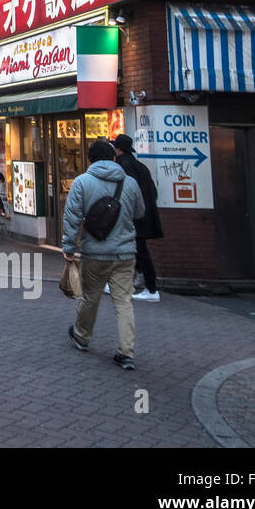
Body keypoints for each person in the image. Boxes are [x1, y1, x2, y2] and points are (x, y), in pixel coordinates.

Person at [63, 139, 147, 370]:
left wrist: (69, 248)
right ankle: (126, 352)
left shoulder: (82, 182)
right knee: (124, 302)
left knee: (91, 297)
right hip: (125, 253)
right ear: (113, 158)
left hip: (95, 253)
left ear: (89, 159)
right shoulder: (129, 183)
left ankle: (82, 336)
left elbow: (71, 218)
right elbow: (140, 212)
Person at [113, 134, 163, 301]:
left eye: (115, 146)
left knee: (137, 251)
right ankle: (140, 280)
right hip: (144, 216)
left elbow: (126, 193)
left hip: (133, 217)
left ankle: (151, 288)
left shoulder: (123, 167)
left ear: (119, 148)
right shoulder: (140, 166)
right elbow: (153, 192)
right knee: (136, 249)